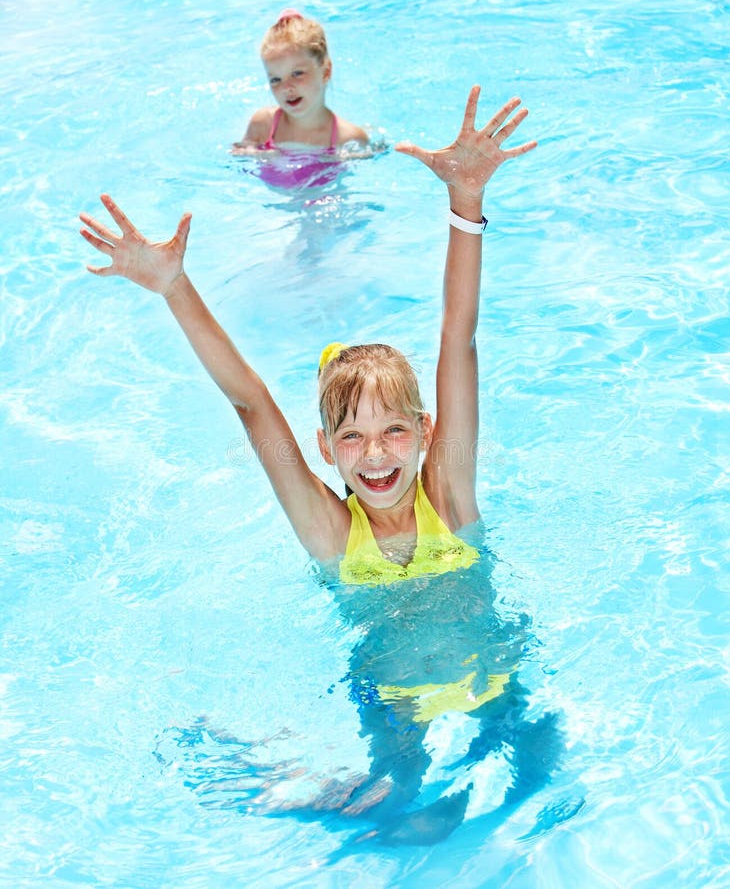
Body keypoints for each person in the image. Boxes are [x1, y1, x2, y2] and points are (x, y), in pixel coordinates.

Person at [81, 86, 547, 844]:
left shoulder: (450, 491)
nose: (376, 454)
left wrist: (466, 202)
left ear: (428, 433)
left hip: (496, 677)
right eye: (353, 438)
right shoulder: (330, 533)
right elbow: (253, 406)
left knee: (545, 776)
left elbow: (457, 337)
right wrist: (174, 286)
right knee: (408, 821)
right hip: (391, 702)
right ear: (327, 449)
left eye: (395, 430)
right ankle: (299, 778)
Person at [231, 9, 370, 190]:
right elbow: (239, 164)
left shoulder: (348, 137)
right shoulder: (263, 125)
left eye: (297, 74)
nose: (286, 87)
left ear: (326, 71)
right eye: (275, 79)